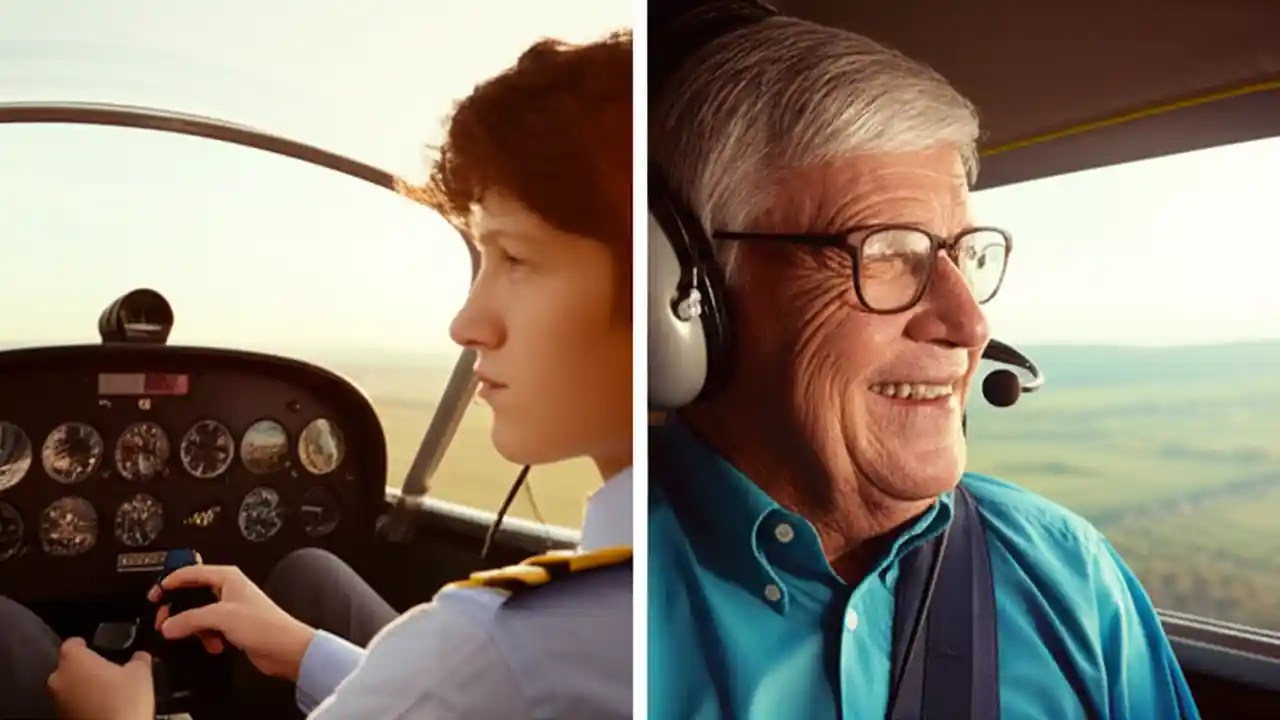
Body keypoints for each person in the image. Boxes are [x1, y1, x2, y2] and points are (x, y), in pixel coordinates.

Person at [2, 29, 633, 720]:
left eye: (514, 258)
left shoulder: (493, 646)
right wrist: (305, 650)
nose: (466, 322)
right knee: (307, 571)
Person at [646, 5, 1201, 720]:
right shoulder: (600, 607)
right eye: (886, 252)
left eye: (965, 253)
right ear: (695, 295)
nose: (970, 324)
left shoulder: (1070, 574)